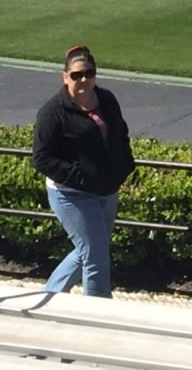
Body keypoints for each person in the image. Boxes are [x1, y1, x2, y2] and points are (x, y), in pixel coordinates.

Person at [31, 45, 135, 297]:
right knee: (96, 258)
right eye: (76, 75)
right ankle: (97, 320)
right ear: (65, 77)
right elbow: (41, 158)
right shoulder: (52, 113)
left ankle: (49, 297)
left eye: (88, 73)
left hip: (106, 191)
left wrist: (124, 167)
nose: (83, 79)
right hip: (71, 195)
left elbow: (120, 134)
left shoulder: (107, 99)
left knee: (88, 251)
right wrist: (81, 177)